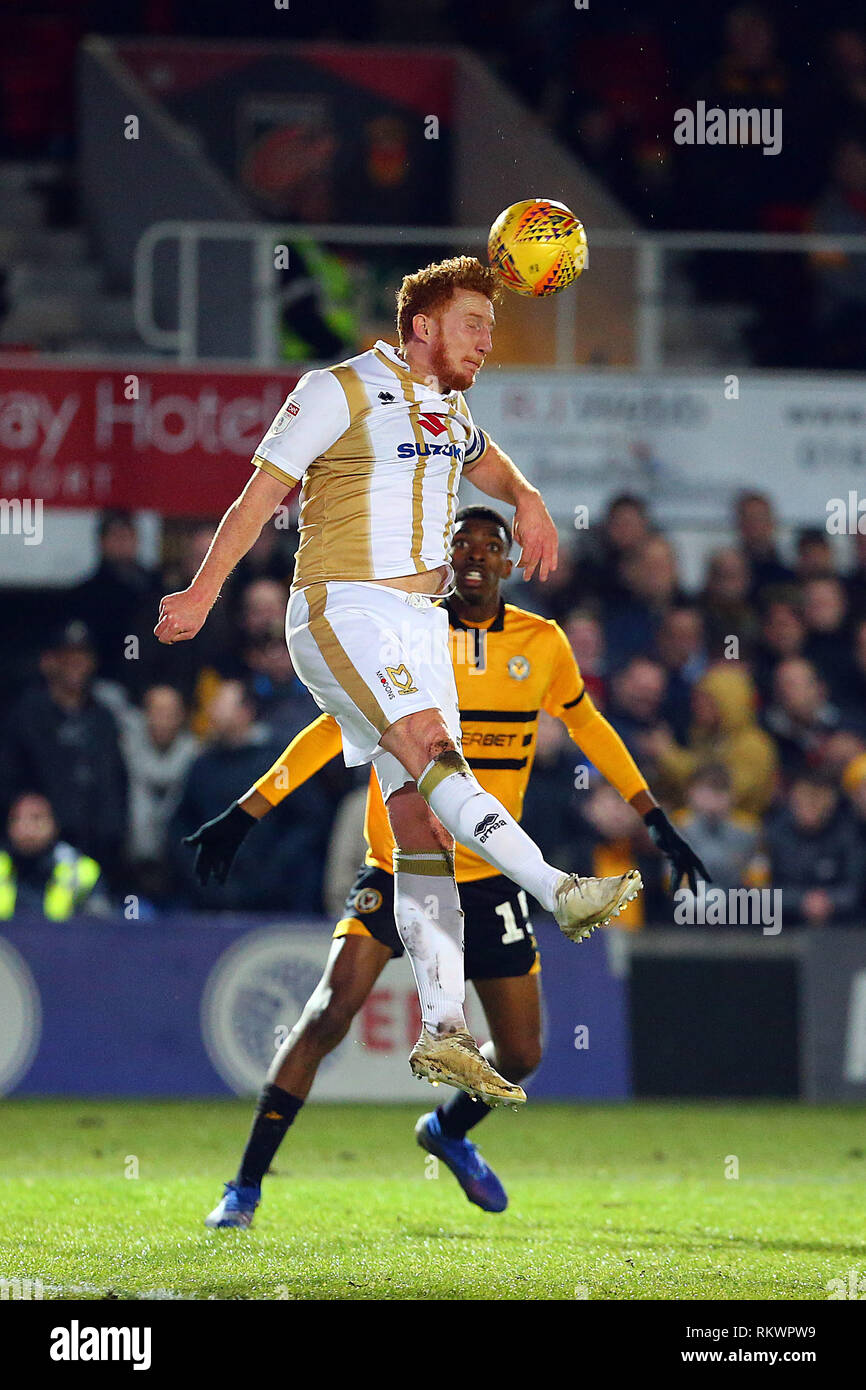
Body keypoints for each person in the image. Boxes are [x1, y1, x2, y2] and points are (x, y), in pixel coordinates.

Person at [155, 255, 648, 1107]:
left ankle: (445, 1030)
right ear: (422, 327)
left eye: (491, 328)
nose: (487, 342)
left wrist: (527, 498)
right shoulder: (337, 388)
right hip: (342, 607)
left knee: (424, 824)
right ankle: (559, 891)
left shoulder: (451, 411)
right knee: (431, 752)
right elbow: (258, 493)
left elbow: (487, 462)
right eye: (473, 325)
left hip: (420, 624)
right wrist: (204, 589)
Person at [184, 508, 705, 1227]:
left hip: (489, 878)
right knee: (329, 1012)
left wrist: (651, 814)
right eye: (461, 544)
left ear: (510, 560)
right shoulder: (403, 631)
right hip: (397, 864)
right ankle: (242, 1188)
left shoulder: (541, 643)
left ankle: (447, 1131)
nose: (475, 557)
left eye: (491, 546)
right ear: (441, 555)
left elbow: (588, 726)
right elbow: (335, 724)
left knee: (521, 1053)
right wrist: (250, 808)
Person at [0, 792, 107, 919]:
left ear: (54, 825)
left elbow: (100, 927)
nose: (26, 828)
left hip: (67, 938)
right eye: (17, 819)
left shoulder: (82, 870)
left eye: (36, 818)